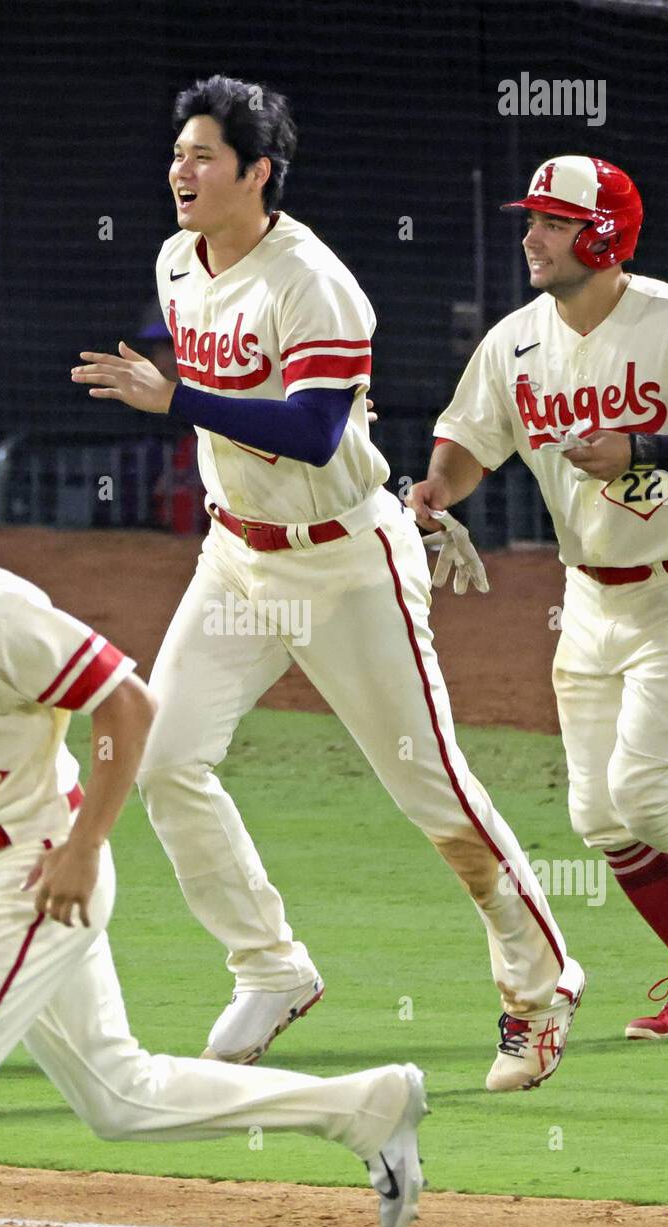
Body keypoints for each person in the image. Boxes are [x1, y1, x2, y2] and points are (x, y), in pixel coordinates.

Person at [0, 421, 427, 1227]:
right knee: (122, 1097)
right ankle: (367, 1107)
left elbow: (127, 703)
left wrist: (84, 848)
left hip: (37, 875)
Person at [71, 74, 583, 1092]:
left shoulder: (312, 282)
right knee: (161, 755)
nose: (181, 170)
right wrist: (199, 400)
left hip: (346, 563)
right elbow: (264, 409)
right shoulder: (179, 261)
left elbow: (310, 432)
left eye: (204, 155)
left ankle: (542, 985)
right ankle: (270, 968)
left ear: (257, 172)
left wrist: (176, 397)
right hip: (237, 556)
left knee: (429, 787)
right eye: (178, 153)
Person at [409, 156, 668, 1040]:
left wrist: (646, 449)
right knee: (596, 813)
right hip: (589, 600)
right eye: (533, 220)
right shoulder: (517, 341)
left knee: (647, 795)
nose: (531, 236)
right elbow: (470, 438)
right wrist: (436, 492)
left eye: (552, 222)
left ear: (601, 235)